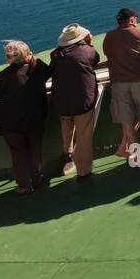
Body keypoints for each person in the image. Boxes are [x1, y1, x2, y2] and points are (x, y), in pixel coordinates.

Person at [0, 41, 50, 193]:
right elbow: (47, 73)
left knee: (18, 153)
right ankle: (36, 178)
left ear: (13, 58)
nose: (5, 58)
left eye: (7, 56)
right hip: (36, 116)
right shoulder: (38, 67)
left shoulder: (4, 76)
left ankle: (24, 185)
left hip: (11, 122)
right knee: (35, 149)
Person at [103, 8, 140, 159]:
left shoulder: (109, 36)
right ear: (132, 20)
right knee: (138, 115)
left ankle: (122, 148)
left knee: (127, 120)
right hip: (139, 80)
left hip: (118, 82)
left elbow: (107, 53)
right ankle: (136, 156)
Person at [50, 25, 101, 179]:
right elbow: (95, 60)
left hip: (61, 100)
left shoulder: (56, 55)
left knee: (67, 128)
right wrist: (88, 43)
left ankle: (68, 158)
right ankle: (84, 170)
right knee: (84, 135)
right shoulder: (87, 50)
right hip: (82, 101)